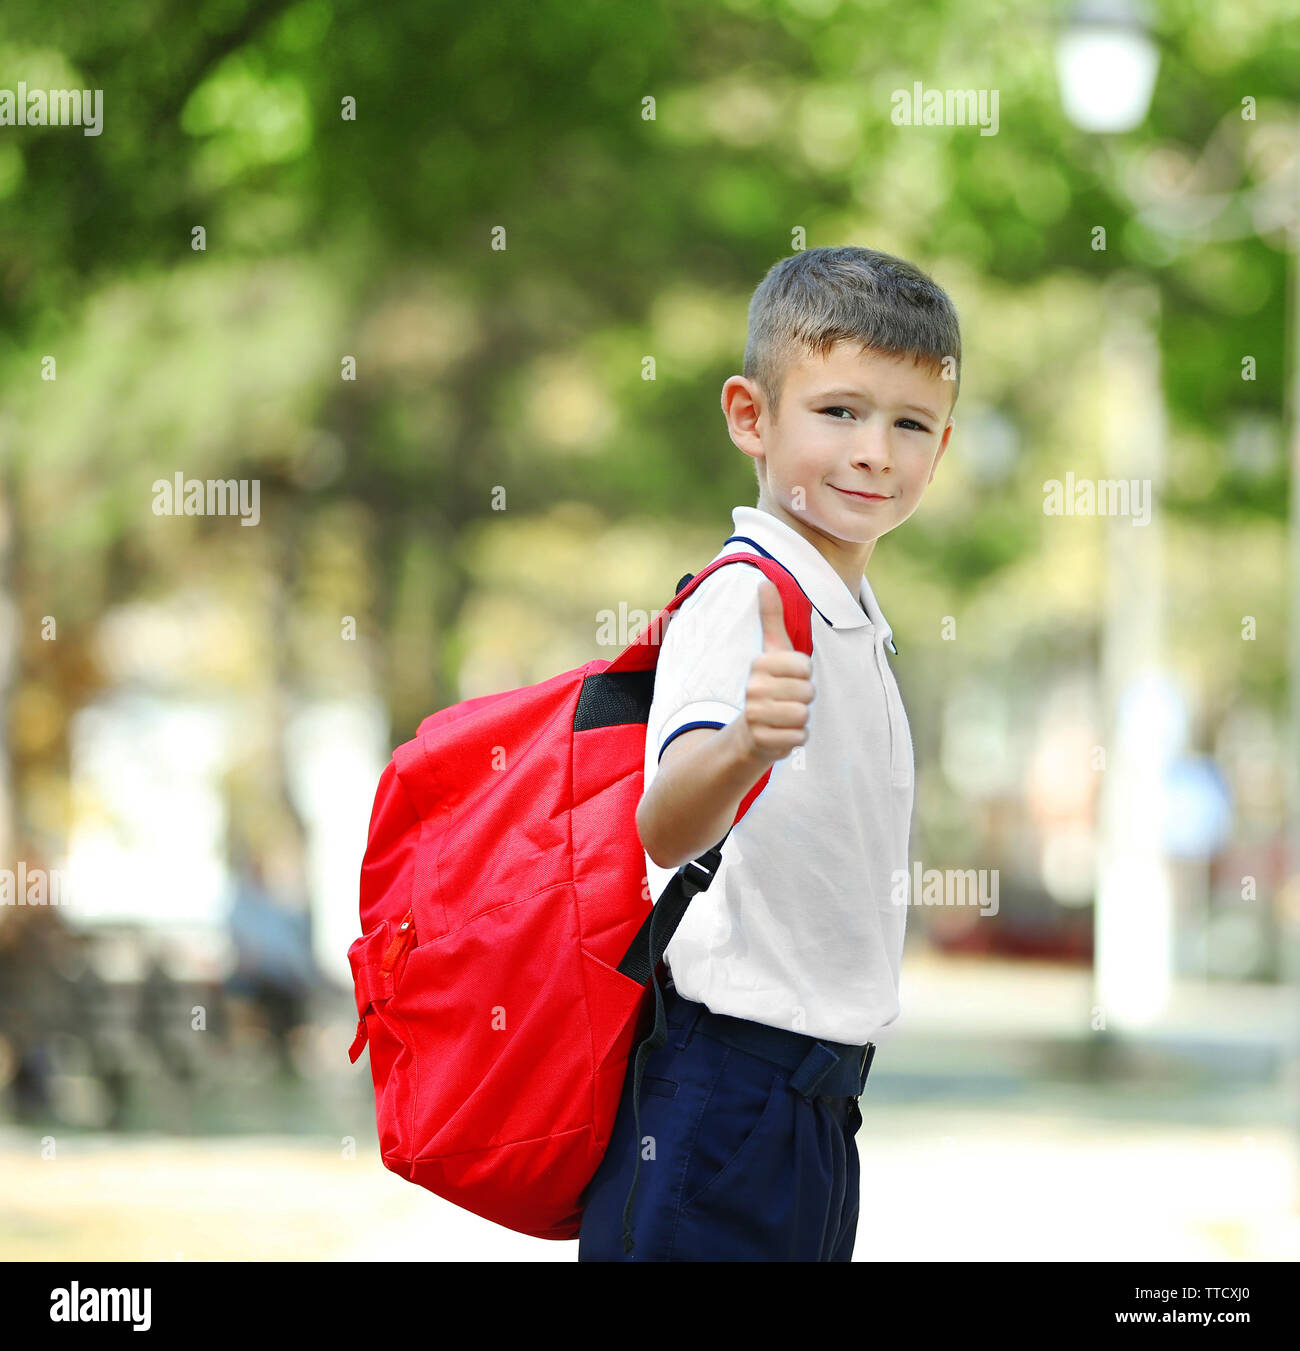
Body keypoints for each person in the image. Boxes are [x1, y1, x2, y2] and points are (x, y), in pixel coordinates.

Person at [578, 245, 960, 1261]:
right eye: (837, 412)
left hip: (809, 1108)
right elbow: (663, 820)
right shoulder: (749, 595)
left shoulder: (848, 611)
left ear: (942, 444)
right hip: (720, 1098)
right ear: (751, 415)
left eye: (908, 423)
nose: (875, 450)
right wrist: (744, 740)